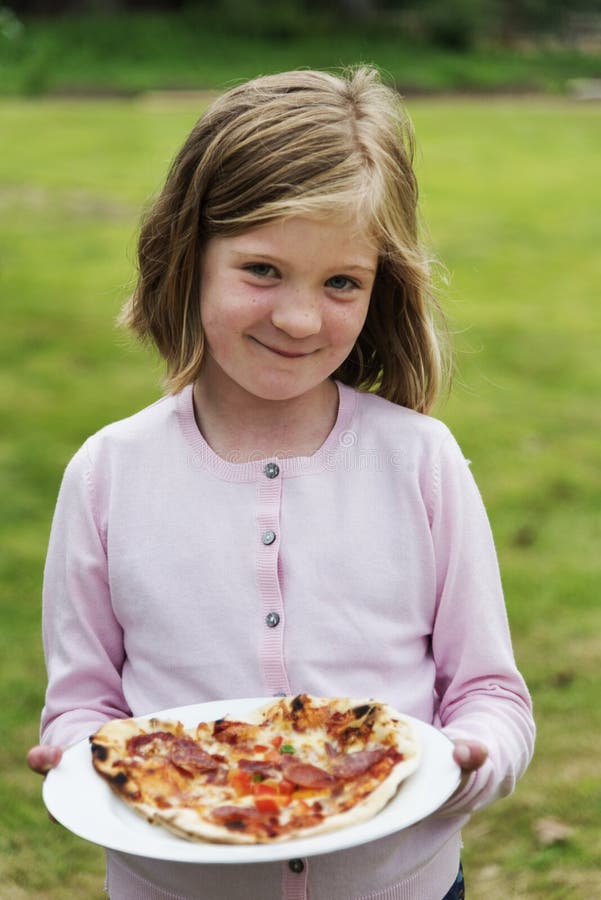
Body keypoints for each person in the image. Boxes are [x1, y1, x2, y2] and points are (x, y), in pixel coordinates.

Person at [27, 67, 535, 900]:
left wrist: (470, 758)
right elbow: (84, 704)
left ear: (381, 287)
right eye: (262, 270)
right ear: (187, 256)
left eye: (341, 282)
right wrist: (79, 758)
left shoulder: (421, 462)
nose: (300, 319)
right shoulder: (108, 474)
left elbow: (487, 693)